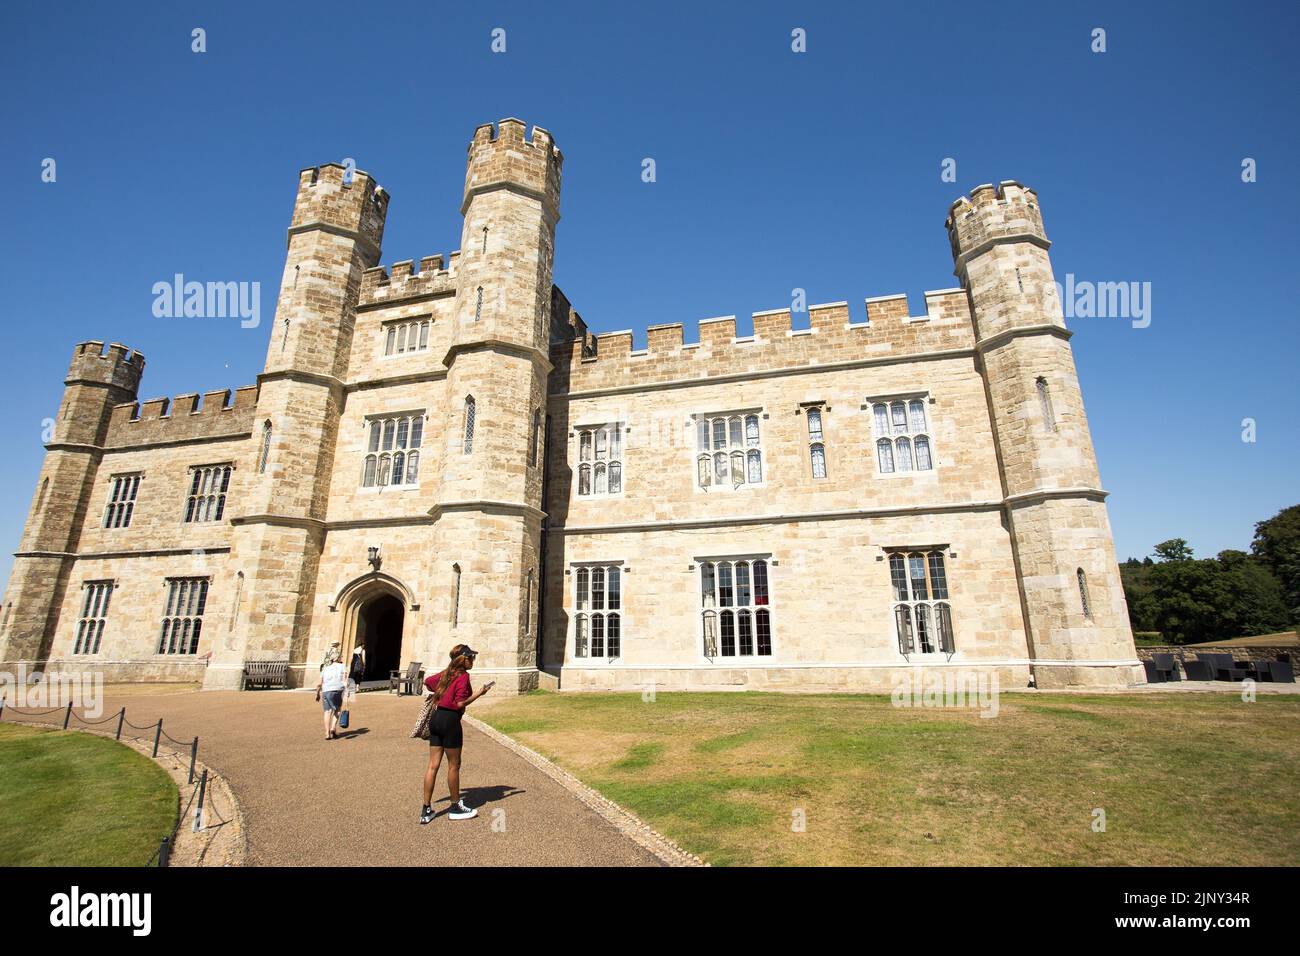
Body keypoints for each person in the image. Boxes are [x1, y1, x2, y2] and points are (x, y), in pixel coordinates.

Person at [420, 645, 494, 823]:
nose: (473, 662)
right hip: (450, 720)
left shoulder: (447, 673)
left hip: (436, 718)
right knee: (454, 765)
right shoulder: (463, 676)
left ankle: (426, 810)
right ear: (464, 660)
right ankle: (455, 807)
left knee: (432, 765)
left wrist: (442, 689)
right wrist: (479, 693)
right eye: (471, 659)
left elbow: (428, 681)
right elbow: (460, 703)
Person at [315, 643, 346, 740]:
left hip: (326, 691)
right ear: (338, 657)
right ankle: (333, 728)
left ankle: (327, 733)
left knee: (327, 712)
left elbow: (319, 683)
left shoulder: (325, 667)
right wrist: (347, 690)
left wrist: (317, 694)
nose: (342, 657)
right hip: (338, 690)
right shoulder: (342, 666)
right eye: (341, 656)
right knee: (337, 710)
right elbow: (345, 681)